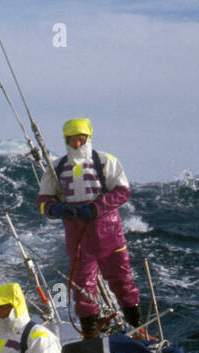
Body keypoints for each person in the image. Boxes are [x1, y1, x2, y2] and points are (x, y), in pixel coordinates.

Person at [37, 118, 142, 338]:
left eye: (81, 140)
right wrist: (58, 209)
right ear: (66, 140)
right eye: (72, 140)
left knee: (123, 282)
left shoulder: (106, 161)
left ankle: (137, 327)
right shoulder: (56, 168)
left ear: (88, 138)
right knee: (83, 289)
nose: (77, 145)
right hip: (78, 239)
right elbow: (43, 202)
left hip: (109, 234)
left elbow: (123, 191)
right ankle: (90, 336)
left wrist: (97, 207)